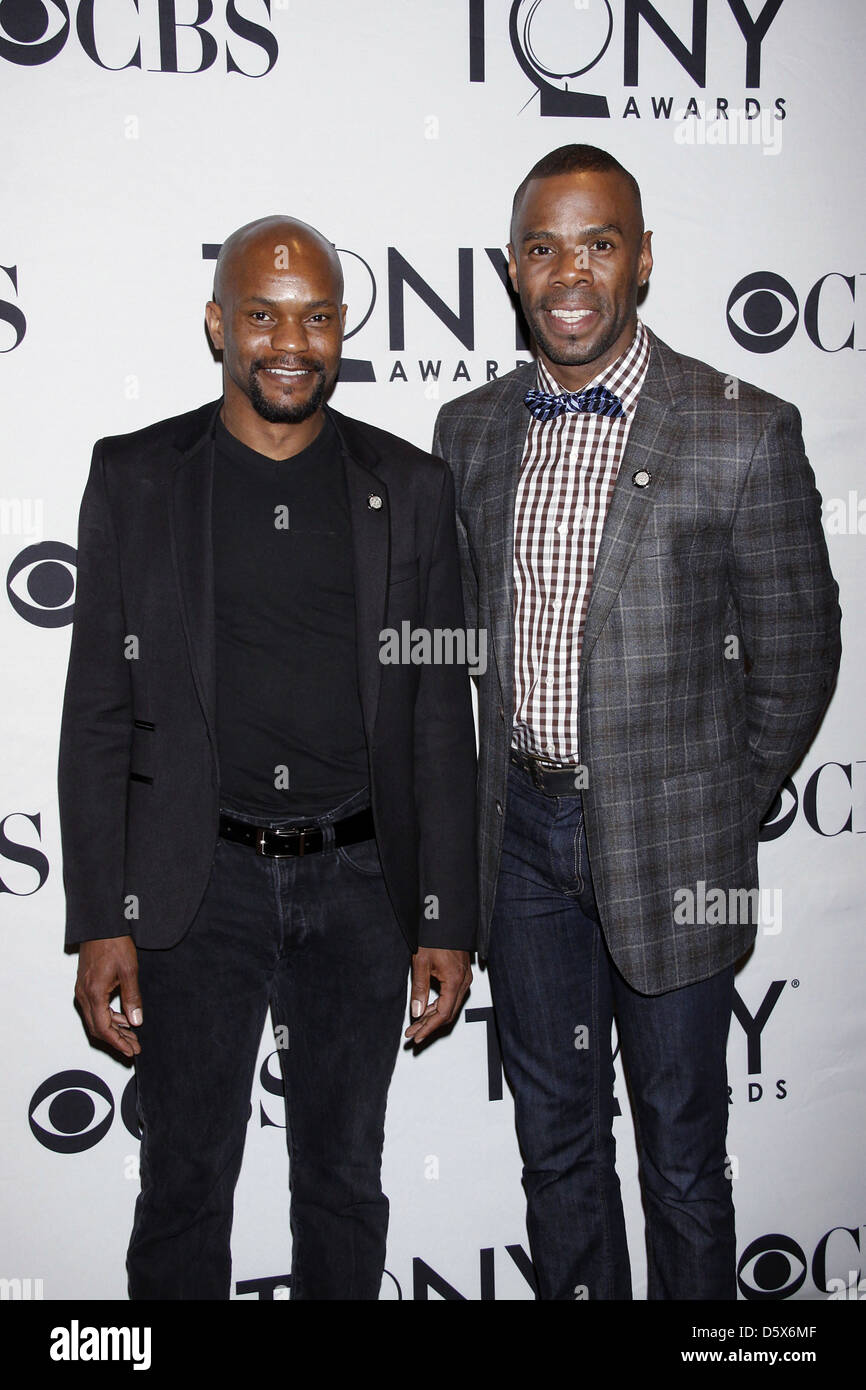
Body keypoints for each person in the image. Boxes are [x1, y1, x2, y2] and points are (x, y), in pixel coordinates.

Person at [433, 145, 841, 1300]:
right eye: (544, 246)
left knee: (677, 1157)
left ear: (642, 258)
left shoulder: (739, 429)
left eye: (597, 242)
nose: (570, 271)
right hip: (517, 848)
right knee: (556, 1151)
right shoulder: (467, 432)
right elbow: (464, 644)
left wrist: (712, 797)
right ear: (514, 268)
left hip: (672, 851)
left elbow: (798, 649)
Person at [59, 215, 477, 1300]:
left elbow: (438, 714)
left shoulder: (412, 488)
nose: (290, 340)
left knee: (342, 1178)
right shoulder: (138, 476)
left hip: (358, 888)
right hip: (198, 887)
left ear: (341, 330)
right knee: (185, 1179)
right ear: (217, 325)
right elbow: (99, 706)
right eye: (262, 314)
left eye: (316, 316)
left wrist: (444, 915)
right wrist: (102, 915)